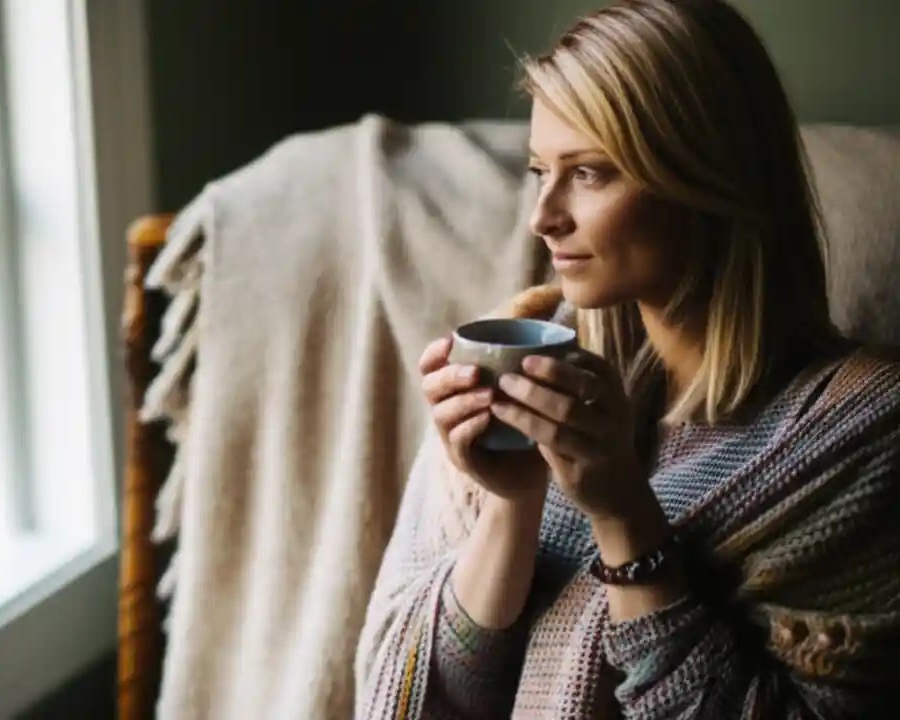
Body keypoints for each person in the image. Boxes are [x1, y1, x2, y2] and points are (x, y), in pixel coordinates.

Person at [354, 0, 900, 717]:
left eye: (589, 173)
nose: (541, 216)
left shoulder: (861, 432)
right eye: (538, 169)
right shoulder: (519, 359)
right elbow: (410, 701)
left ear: (706, 180)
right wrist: (512, 503)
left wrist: (622, 516)